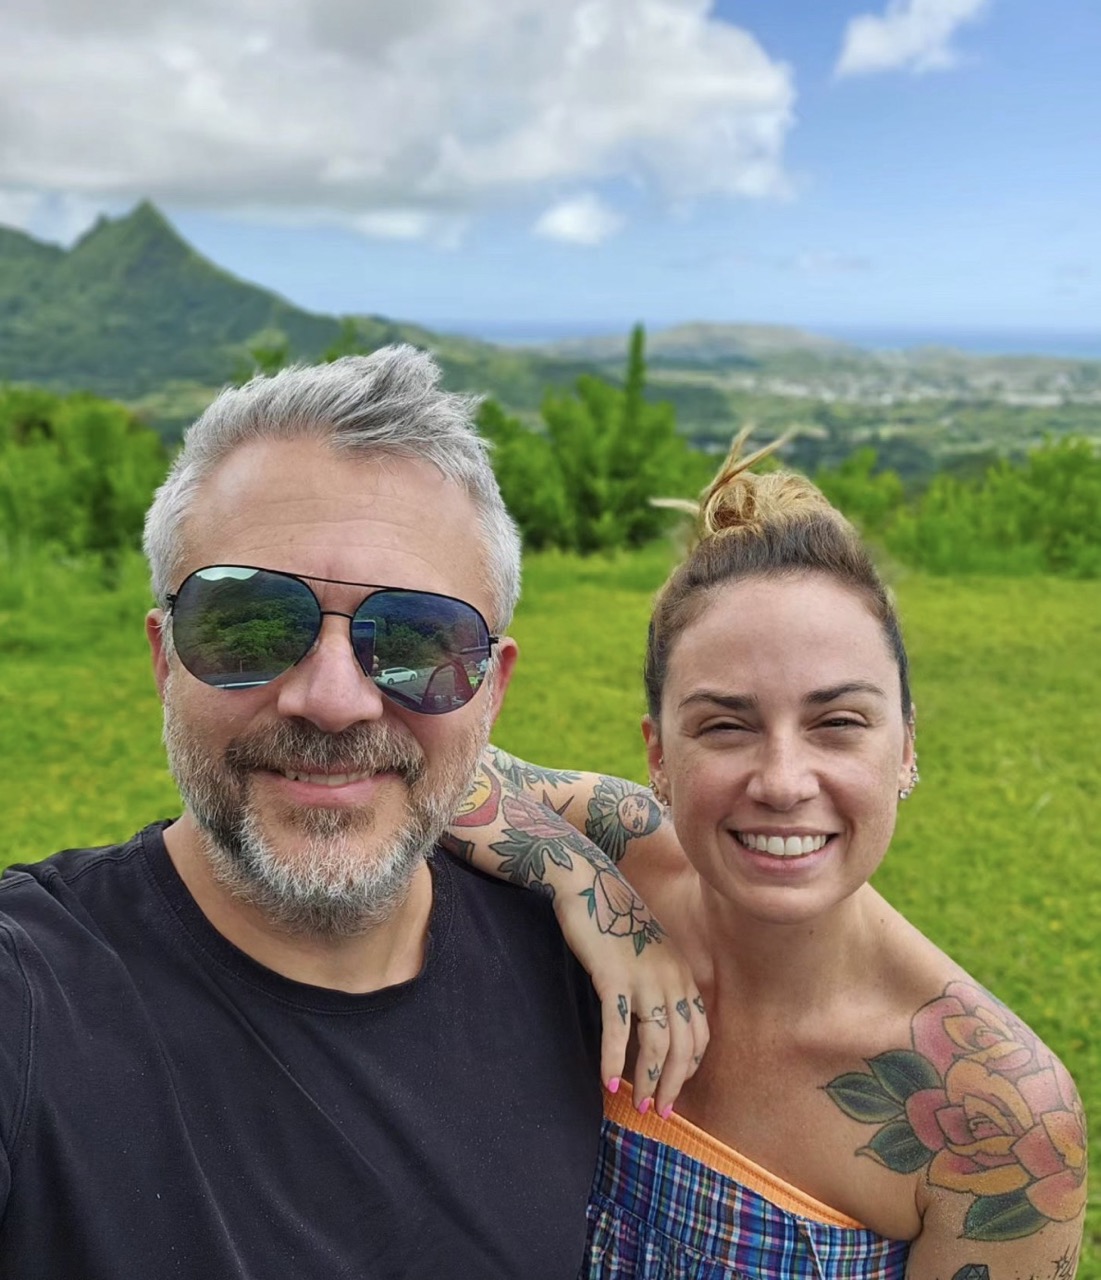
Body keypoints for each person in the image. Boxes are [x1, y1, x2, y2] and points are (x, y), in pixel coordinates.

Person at [0, 347, 706, 1279]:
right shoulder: (31, 999)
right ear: (164, 657)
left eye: (418, 639)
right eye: (248, 622)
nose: (333, 701)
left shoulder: (584, 982)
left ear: (489, 689)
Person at [451, 433, 1087, 1277]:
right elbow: (425, 761)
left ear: (904, 748)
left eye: (838, 723)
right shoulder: (614, 841)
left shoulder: (1003, 1120)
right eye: (725, 724)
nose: (783, 782)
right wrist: (589, 890)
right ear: (656, 757)